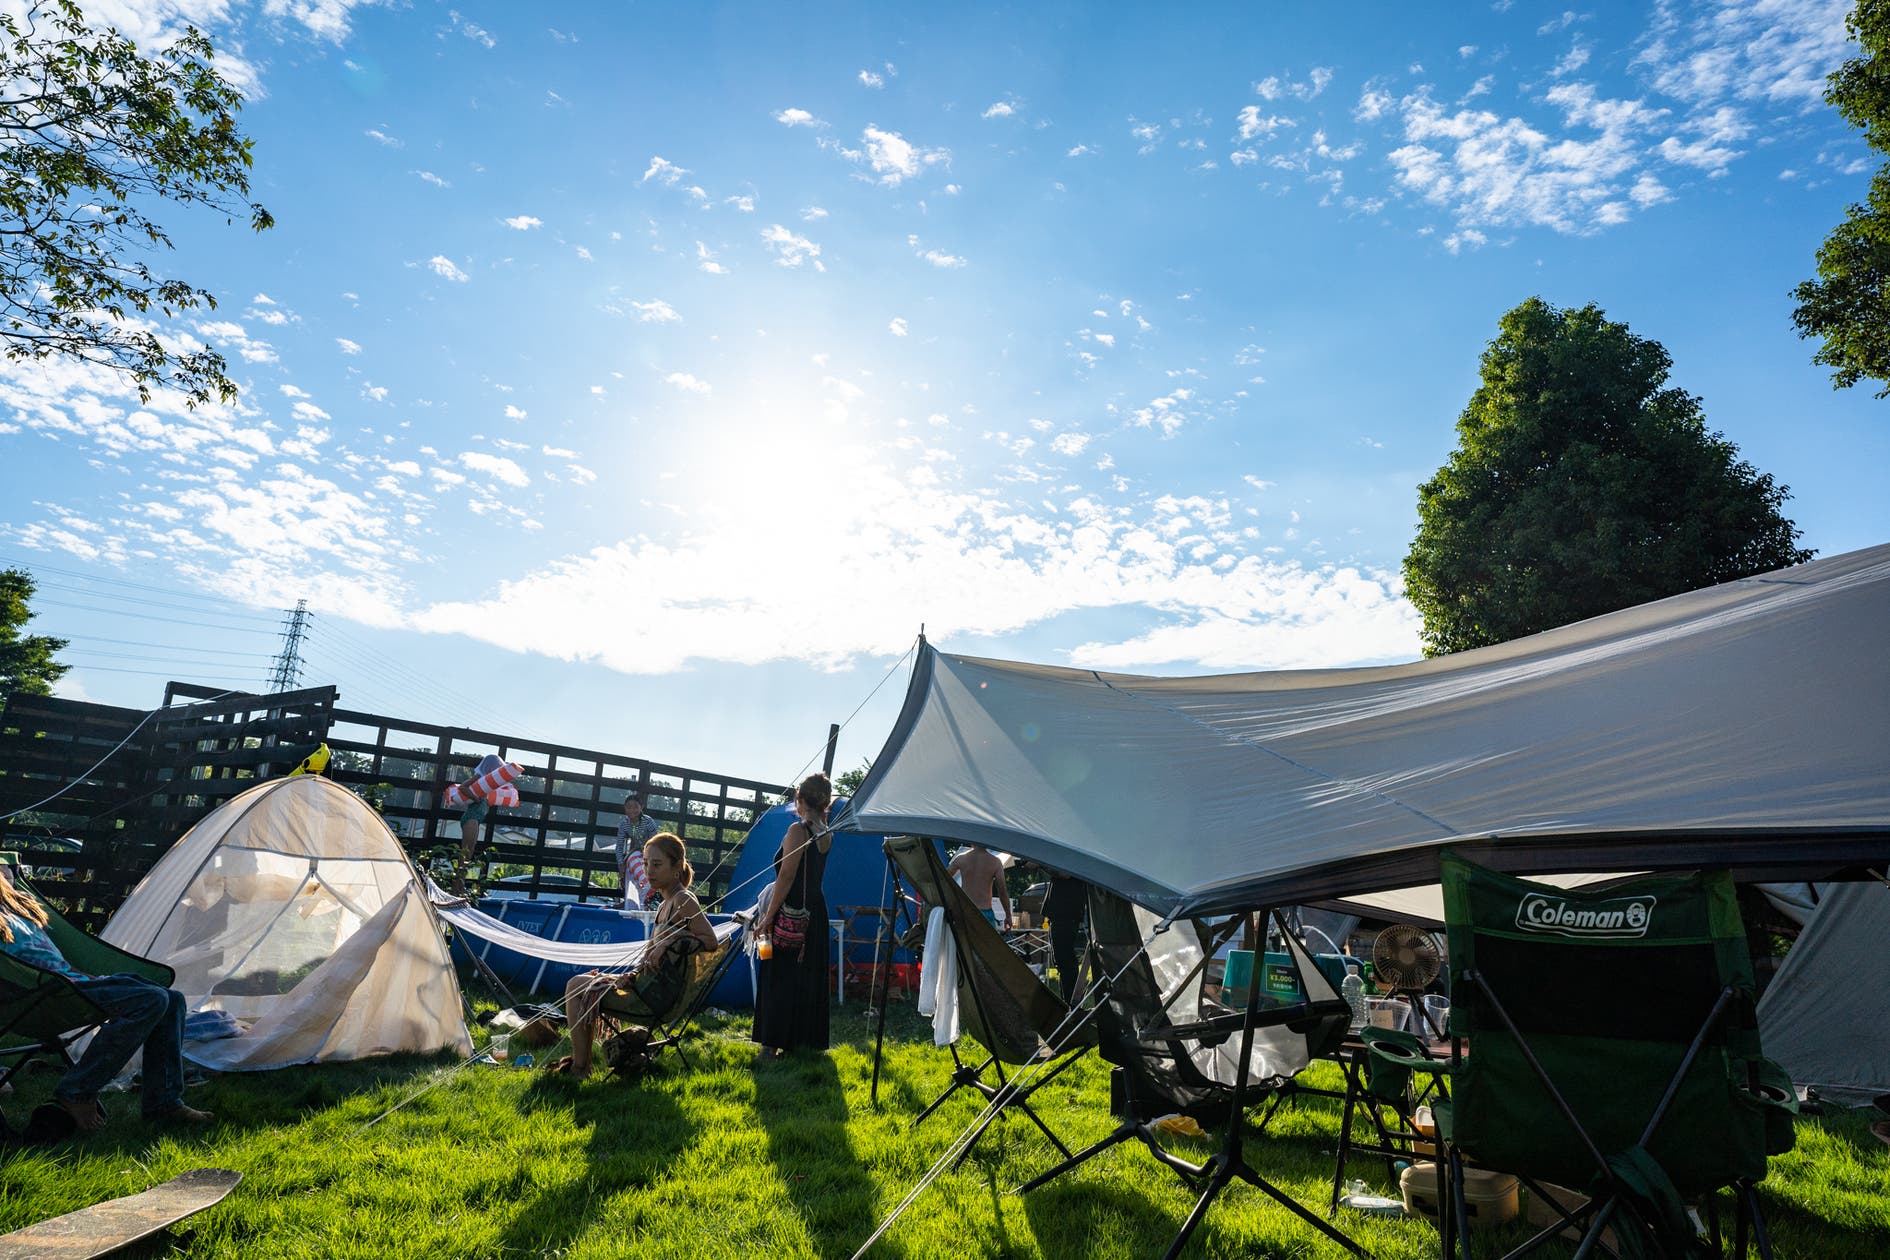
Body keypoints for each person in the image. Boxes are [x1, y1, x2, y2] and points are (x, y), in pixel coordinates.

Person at [0, 869, 212, 1130]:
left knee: (173, 999)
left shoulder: (19, 909)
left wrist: (89, 977)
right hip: (45, 996)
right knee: (151, 1000)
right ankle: (77, 1091)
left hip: (74, 984)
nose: (7, 871)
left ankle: (164, 1103)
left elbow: (56, 960)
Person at [557, 832, 716, 1077]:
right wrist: (629, 975)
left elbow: (710, 941)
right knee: (583, 983)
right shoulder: (665, 905)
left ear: (676, 869)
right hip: (646, 987)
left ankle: (581, 1068)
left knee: (576, 986)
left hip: (655, 999)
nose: (649, 870)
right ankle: (582, 1065)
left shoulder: (683, 900)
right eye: (645, 863)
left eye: (657, 864)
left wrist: (671, 940)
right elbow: (650, 959)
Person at [752, 772, 834, 1062]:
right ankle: (799, 1042)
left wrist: (766, 917)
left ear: (800, 799)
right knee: (805, 977)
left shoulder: (798, 831)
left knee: (779, 976)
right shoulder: (826, 832)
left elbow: (786, 877)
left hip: (791, 912)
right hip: (815, 912)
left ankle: (769, 1047)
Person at [1042, 872, 1091, 1003]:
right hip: (1062, 914)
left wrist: (1040, 864)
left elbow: (1064, 874)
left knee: (1066, 961)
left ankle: (1072, 1002)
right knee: (1062, 961)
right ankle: (1069, 1001)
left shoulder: (1072, 859)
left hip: (1066, 913)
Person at [947, 843, 1011, 930]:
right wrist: (1008, 915)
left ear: (971, 841)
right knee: (987, 943)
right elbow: (1002, 891)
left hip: (964, 911)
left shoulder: (961, 859)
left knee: (964, 943)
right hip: (985, 914)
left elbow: (943, 878)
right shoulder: (995, 862)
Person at [614, 790, 659, 909]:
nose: (632, 810)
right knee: (628, 865)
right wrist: (620, 863)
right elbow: (619, 845)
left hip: (651, 852)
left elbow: (657, 841)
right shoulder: (624, 824)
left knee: (645, 870)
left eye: (635, 807)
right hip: (637, 852)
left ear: (641, 808)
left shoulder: (648, 822)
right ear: (625, 808)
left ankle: (648, 899)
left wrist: (648, 855)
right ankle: (629, 899)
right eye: (629, 807)